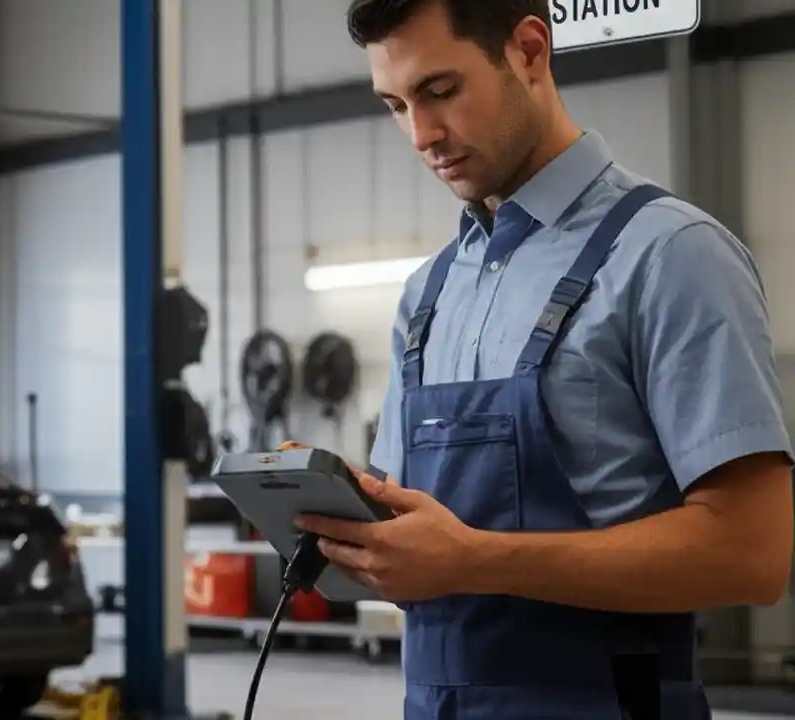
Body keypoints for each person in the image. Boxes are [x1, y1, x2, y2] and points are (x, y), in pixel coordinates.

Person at [286, 1, 795, 717]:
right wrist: (340, 516)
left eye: (440, 91)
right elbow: (414, 542)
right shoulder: (428, 293)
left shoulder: (671, 256)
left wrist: (471, 559)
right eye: (395, 104)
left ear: (528, 51)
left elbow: (751, 554)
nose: (420, 134)